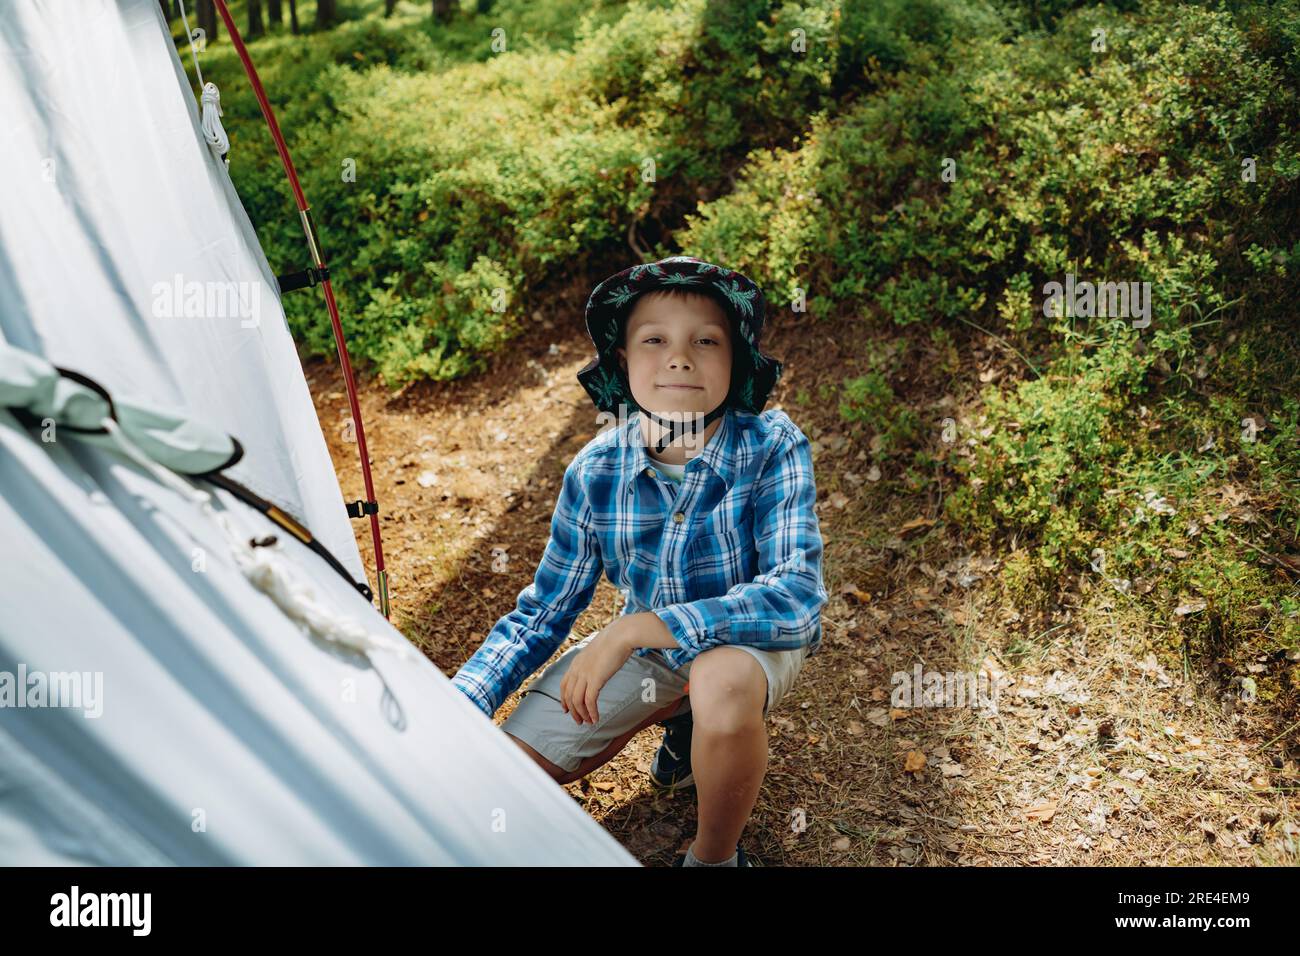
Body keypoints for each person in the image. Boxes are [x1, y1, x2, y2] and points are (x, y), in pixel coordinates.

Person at [451, 255, 828, 866]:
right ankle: (681, 721)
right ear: (622, 362)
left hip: (749, 643)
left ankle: (714, 858)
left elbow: (796, 598)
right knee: (504, 774)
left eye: (706, 340)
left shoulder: (772, 445)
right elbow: (543, 611)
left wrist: (632, 628)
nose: (679, 357)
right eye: (654, 339)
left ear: (737, 360)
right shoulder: (596, 470)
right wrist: (462, 701)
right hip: (650, 653)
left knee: (720, 683)